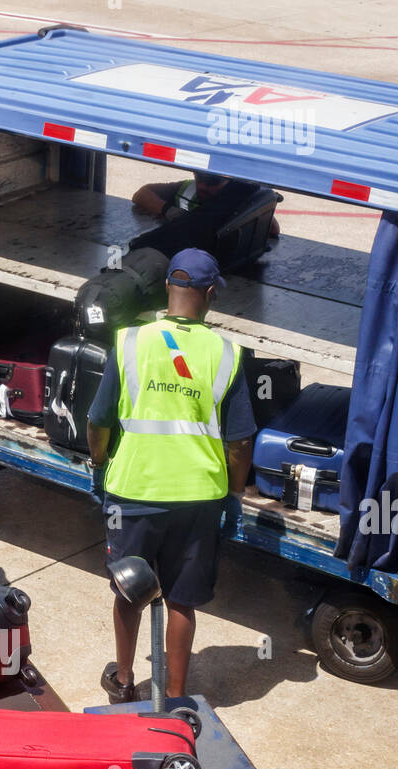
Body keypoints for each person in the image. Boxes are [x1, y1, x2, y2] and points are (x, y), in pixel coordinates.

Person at [86, 249, 256, 701]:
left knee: (129, 588)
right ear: (211, 293)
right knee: (182, 599)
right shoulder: (227, 353)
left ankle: (123, 682)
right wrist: (234, 495)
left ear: (167, 287)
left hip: (135, 488)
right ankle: (176, 696)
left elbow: (98, 420)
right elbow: (240, 440)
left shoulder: (129, 341)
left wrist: (100, 466)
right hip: (200, 496)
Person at [132, 171, 281, 238]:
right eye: (199, 178)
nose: (203, 186)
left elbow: (273, 229)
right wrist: (169, 210)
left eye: (212, 182)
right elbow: (141, 194)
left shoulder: (240, 199)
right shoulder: (187, 189)